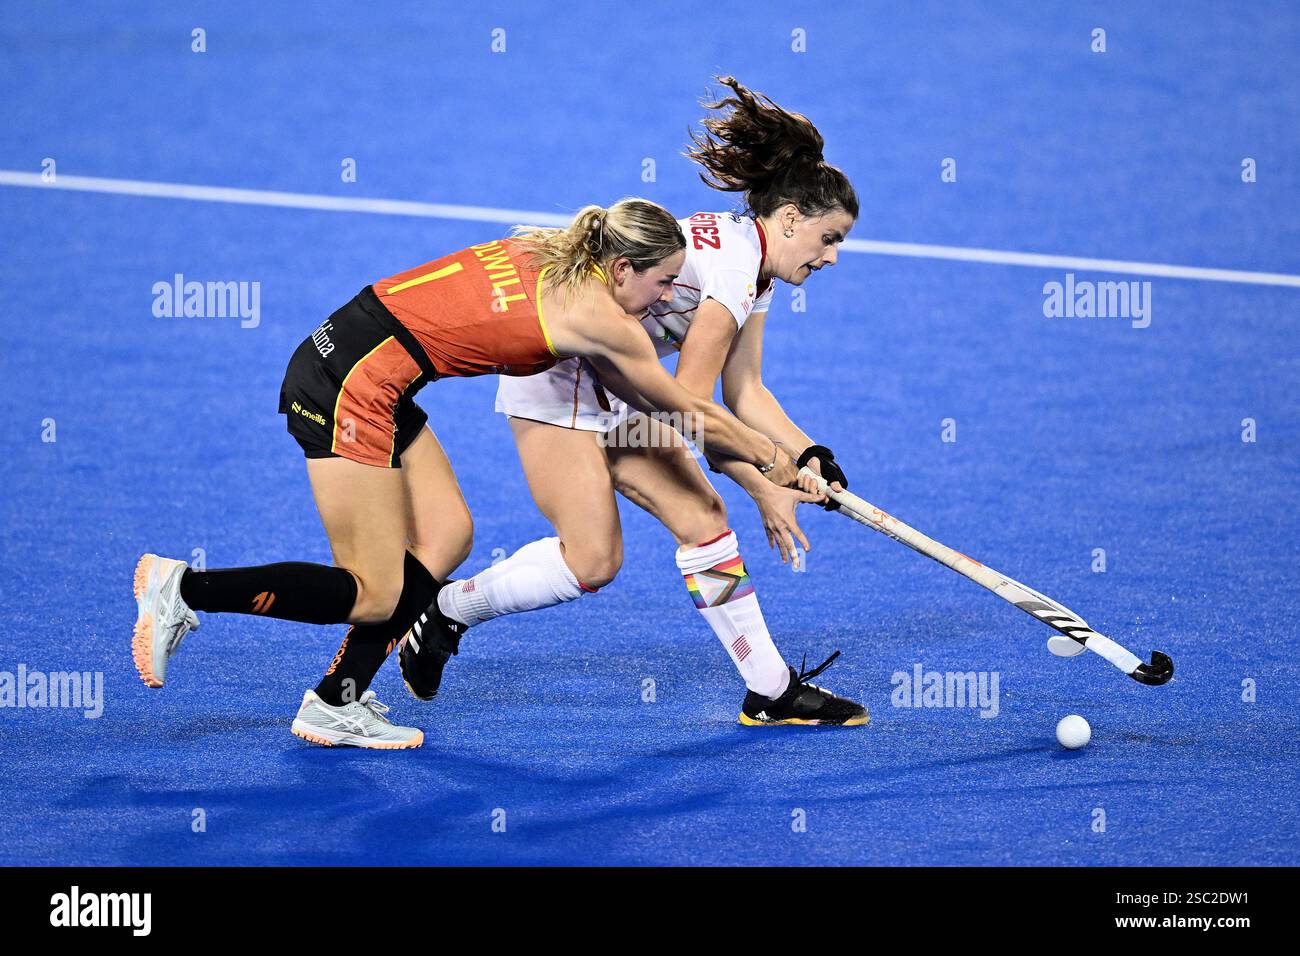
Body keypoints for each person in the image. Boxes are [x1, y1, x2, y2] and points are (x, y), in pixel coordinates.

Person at [132, 197, 797, 749]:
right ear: (622, 268)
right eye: (661, 284)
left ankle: (336, 702)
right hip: (349, 385)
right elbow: (687, 410)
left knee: (448, 536)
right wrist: (776, 461)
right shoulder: (604, 319)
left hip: (361, 360)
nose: (665, 300)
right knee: (373, 592)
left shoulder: (553, 249)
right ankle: (186, 589)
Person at [400, 79, 867, 726]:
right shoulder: (734, 272)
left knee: (703, 518)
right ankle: (447, 610)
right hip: (561, 376)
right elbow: (690, 412)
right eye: (830, 238)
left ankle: (771, 689)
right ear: (790, 218)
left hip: (629, 385)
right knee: (593, 559)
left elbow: (745, 391)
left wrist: (809, 453)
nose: (835, 257)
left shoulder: (754, 268)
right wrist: (766, 482)